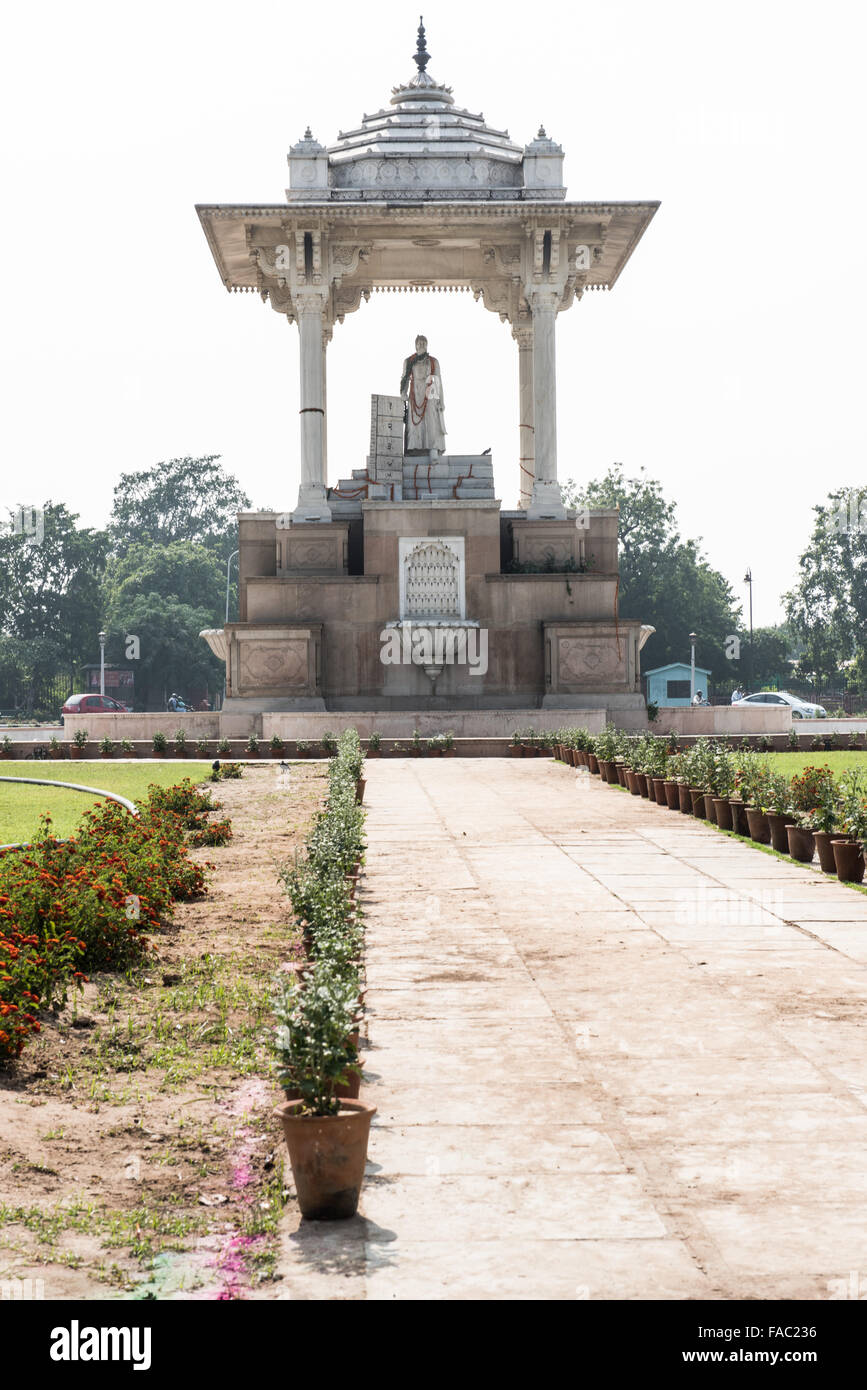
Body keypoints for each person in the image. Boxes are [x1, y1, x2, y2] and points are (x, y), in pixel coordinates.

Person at [400, 334, 446, 457]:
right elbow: (404, 378)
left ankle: (432, 447)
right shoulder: (409, 361)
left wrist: (441, 400)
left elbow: (439, 381)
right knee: (414, 422)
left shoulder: (433, 361)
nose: (421, 345)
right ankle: (415, 447)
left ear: (427, 345)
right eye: (419, 343)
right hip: (415, 392)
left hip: (430, 392)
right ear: (415, 345)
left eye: (423, 343)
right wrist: (403, 394)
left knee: (431, 420)